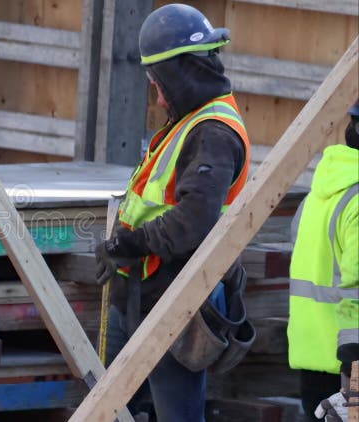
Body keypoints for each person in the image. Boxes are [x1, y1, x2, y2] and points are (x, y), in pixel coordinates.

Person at [90, 4, 250, 421]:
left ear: (180, 74)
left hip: (175, 301)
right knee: (113, 409)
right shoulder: (189, 121)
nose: (157, 95)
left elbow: (195, 220)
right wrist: (123, 244)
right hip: (145, 291)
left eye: (158, 83)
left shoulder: (212, 132)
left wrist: (133, 242)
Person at [289, 99, 359, 422]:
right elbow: (355, 290)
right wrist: (352, 381)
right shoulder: (356, 200)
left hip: (312, 362)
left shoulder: (318, 193)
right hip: (347, 369)